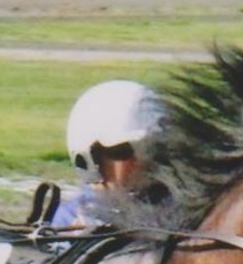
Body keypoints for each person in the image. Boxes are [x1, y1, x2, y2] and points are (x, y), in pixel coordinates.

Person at [50, 79, 166, 227]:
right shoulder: (69, 220)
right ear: (88, 161)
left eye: (151, 148)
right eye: (122, 151)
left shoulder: (181, 212)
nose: (141, 160)